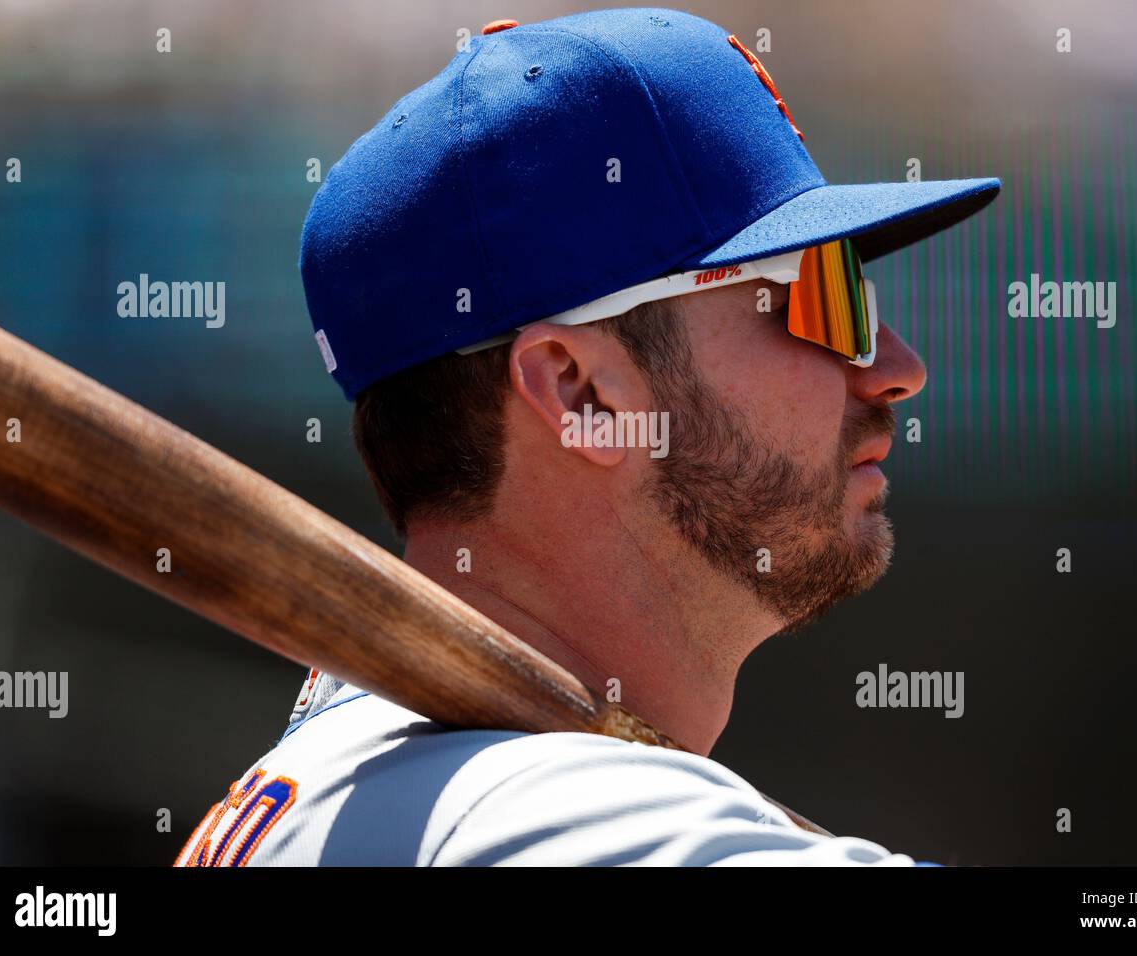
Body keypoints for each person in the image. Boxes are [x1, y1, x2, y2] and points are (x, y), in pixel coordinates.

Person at [177, 7, 999, 867]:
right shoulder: (544, 818)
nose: (899, 368)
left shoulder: (370, 781)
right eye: (824, 293)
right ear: (580, 392)